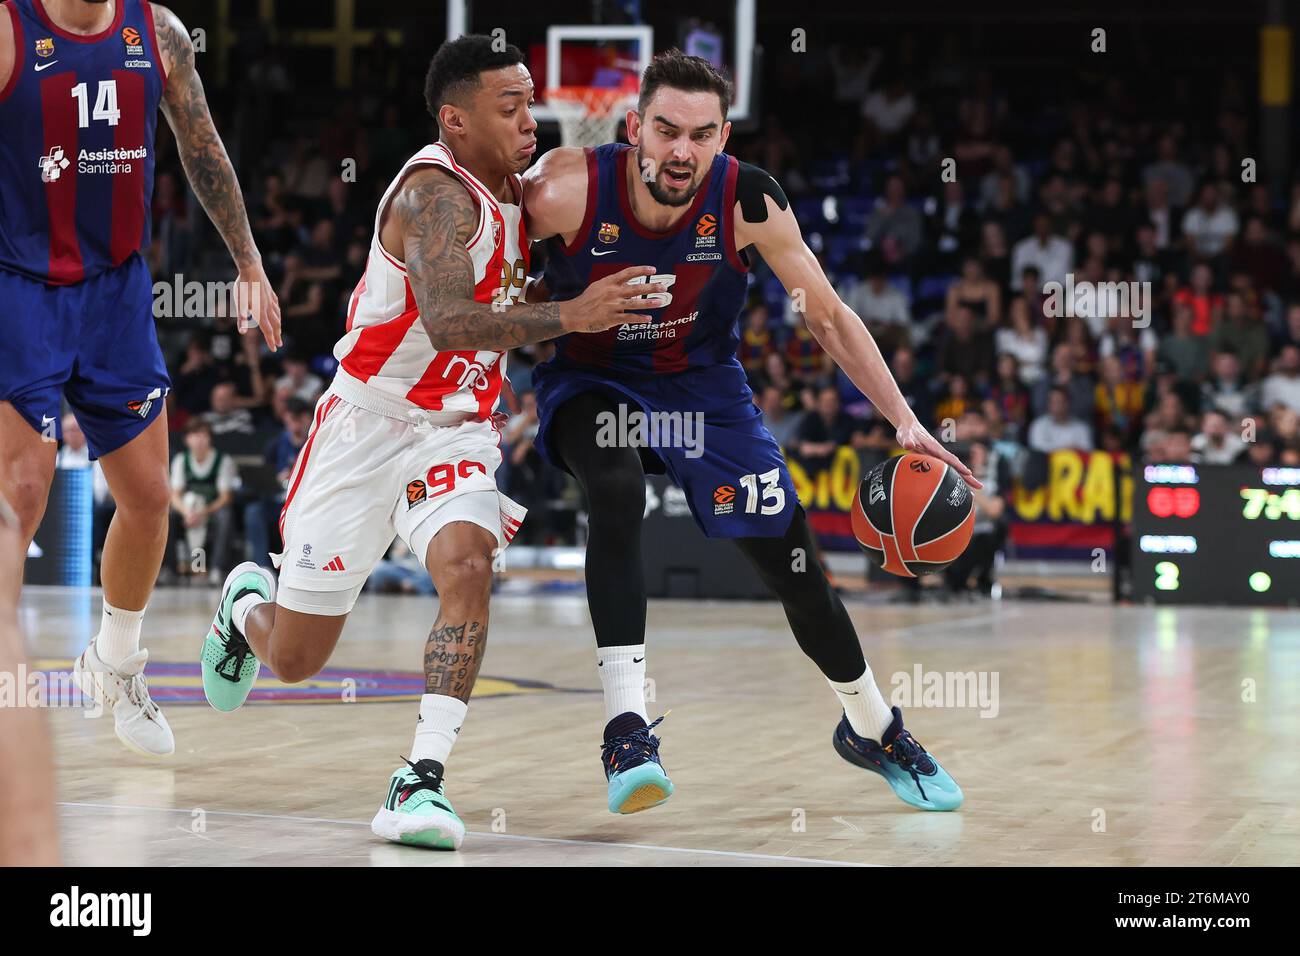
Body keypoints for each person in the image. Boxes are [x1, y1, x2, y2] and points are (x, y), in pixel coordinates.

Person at [197, 35, 655, 851]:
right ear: (457, 119)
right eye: (508, 107)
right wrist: (575, 314)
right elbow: (448, 321)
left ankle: (421, 779)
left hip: (459, 429)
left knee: (467, 568)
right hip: (365, 424)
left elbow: (525, 282)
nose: (530, 120)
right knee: (297, 660)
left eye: (529, 102)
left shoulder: (527, 188)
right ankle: (243, 601)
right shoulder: (434, 195)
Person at [524, 50, 976, 815]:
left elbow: (826, 314)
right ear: (634, 126)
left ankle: (873, 727)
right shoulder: (563, 190)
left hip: (703, 393)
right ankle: (626, 728)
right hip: (590, 378)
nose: (681, 150)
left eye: (700, 135)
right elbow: (488, 302)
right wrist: (558, 315)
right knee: (615, 482)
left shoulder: (748, 202)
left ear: (723, 138)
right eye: (666, 130)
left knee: (794, 562)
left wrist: (903, 418)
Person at [0, 0, 282, 758]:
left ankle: (115, 663)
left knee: (151, 499)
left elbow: (203, 147)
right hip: (20, 285)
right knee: (21, 495)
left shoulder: (156, 32)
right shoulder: (9, 29)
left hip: (116, 292)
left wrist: (248, 261)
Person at [169, 418, 238, 583]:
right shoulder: (180, 461)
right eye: (194, 435)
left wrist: (202, 512)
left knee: (225, 516)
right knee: (166, 516)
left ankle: (217, 568)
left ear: (210, 438)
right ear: (186, 439)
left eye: (203, 434)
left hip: (210, 510)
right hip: (188, 511)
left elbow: (225, 497)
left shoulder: (223, 460)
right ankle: (169, 570)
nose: (199, 439)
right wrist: (188, 513)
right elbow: (174, 495)